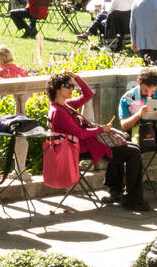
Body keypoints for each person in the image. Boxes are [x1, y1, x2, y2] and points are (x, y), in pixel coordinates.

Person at [47, 71, 149, 211]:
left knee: (129, 147)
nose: (72, 88)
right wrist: (102, 130)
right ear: (57, 88)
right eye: (67, 85)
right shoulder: (58, 111)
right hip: (79, 148)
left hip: (87, 143)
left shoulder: (66, 105)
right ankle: (131, 198)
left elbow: (89, 95)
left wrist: (77, 78)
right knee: (132, 152)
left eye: (72, 85)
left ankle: (117, 192)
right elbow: (81, 134)